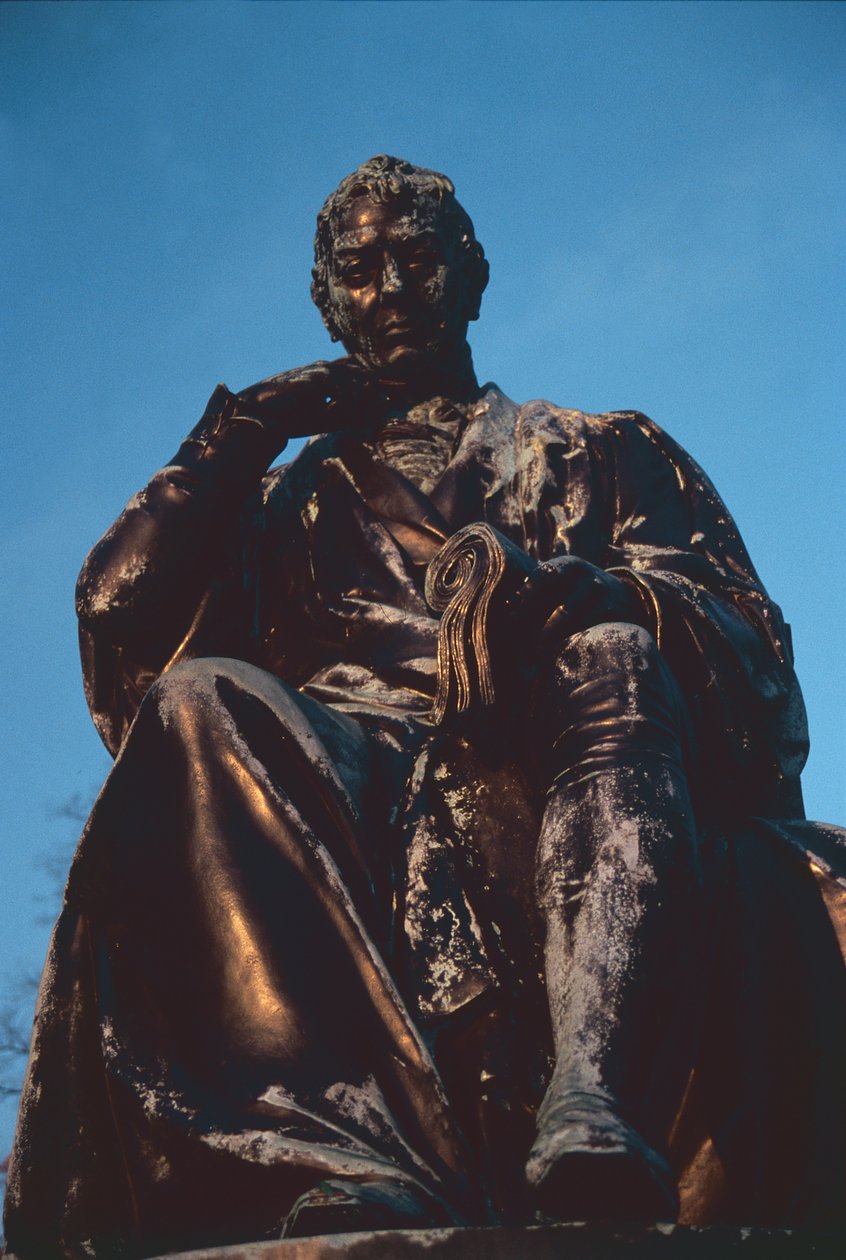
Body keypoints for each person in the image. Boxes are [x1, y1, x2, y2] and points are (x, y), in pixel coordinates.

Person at [5, 156, 845, 1259]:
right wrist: (241, 427)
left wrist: (578, 593)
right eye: (360, 270)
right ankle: (336, 1150)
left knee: (610, 650)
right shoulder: (279, 503)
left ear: (472, 274)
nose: (392, 286)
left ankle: (595, 1103)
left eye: (416, 257)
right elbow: (118, 614)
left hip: (570, 743)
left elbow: (756, 654)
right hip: (348, 761)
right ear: (329, 302)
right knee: (198, 700)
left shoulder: (602, 449)